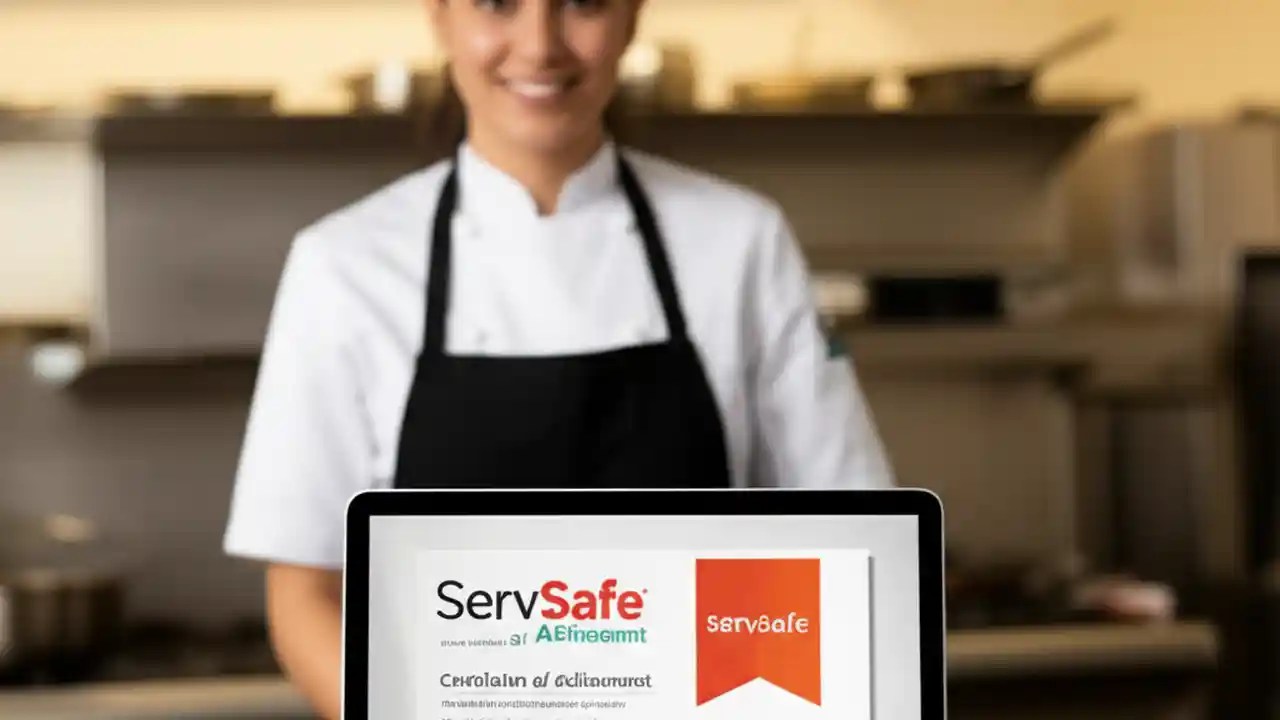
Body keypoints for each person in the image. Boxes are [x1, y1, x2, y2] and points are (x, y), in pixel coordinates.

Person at [222, 0, 894, 716]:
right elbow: (305, 596)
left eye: (584, 3)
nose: (540, 46)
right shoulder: (345, 266)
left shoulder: (740, 241)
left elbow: (849, 547)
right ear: (440, 18)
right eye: (498, 5)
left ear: (632, 19)